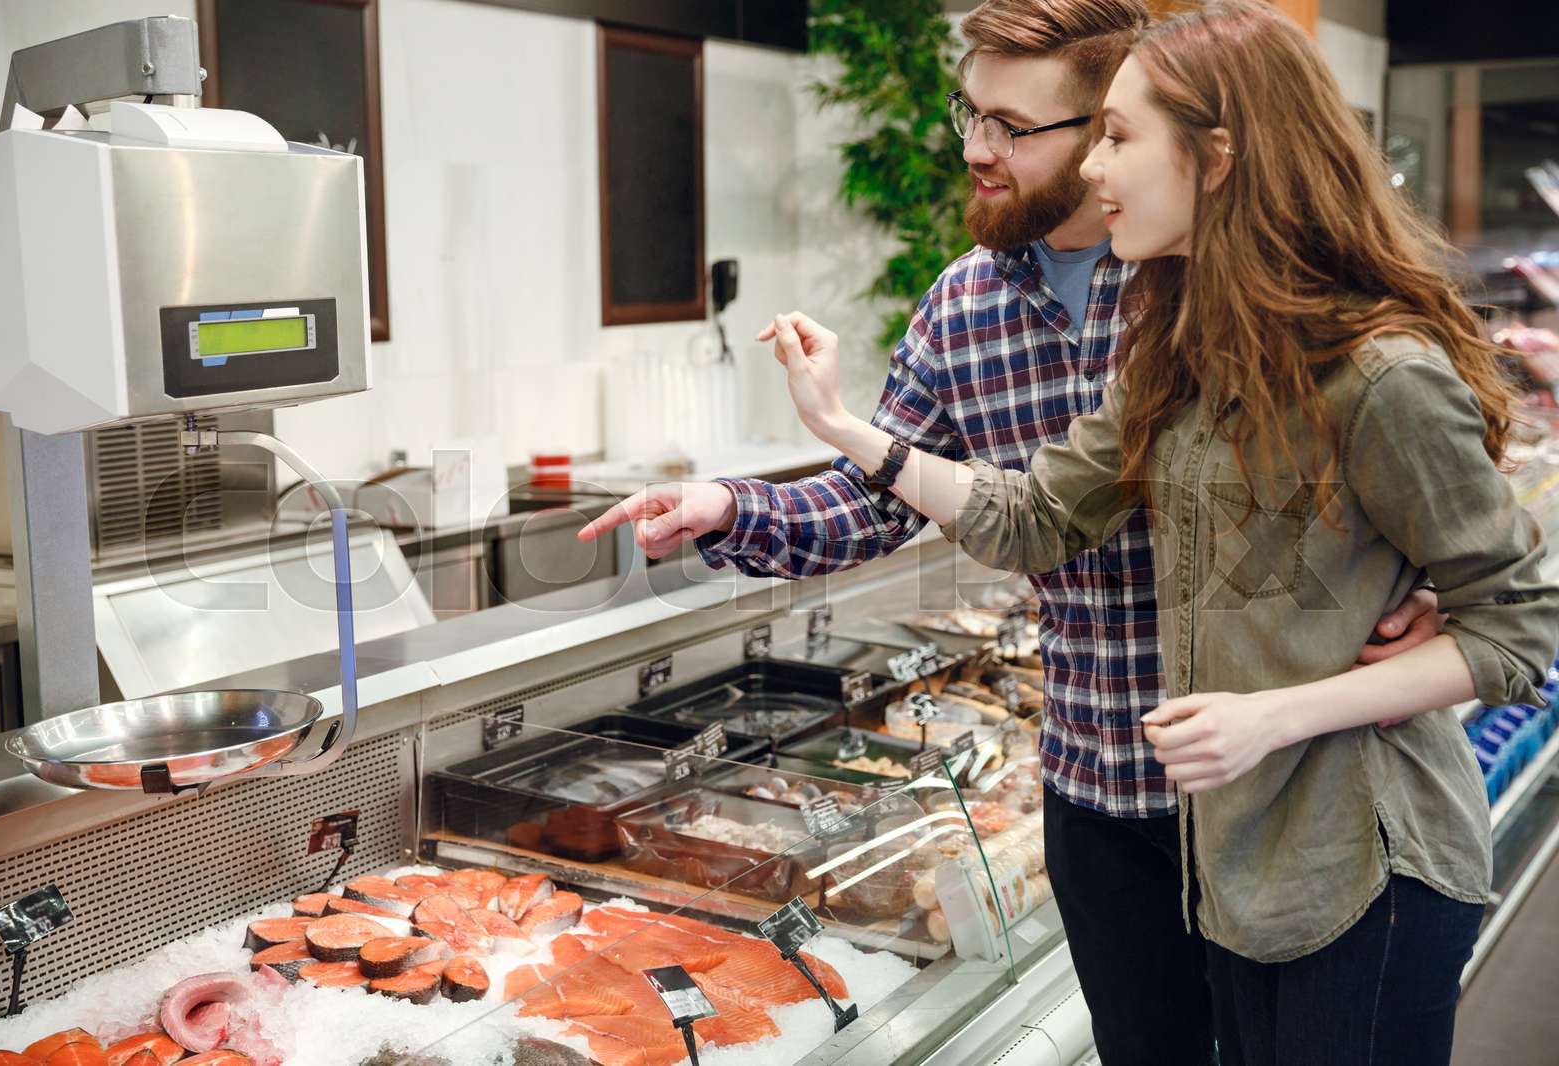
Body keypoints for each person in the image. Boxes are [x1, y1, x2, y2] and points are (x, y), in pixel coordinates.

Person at [582, 3, 1442, 1062]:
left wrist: (1424, 585)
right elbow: (899, 500)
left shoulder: (1215, 288)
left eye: (1010, 124)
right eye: (968, 114)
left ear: (1109, 131)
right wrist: (732, 506)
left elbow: (1419, 474)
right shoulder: (963, 306)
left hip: (1280, 790)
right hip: (1097, 789)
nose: (974, 148)